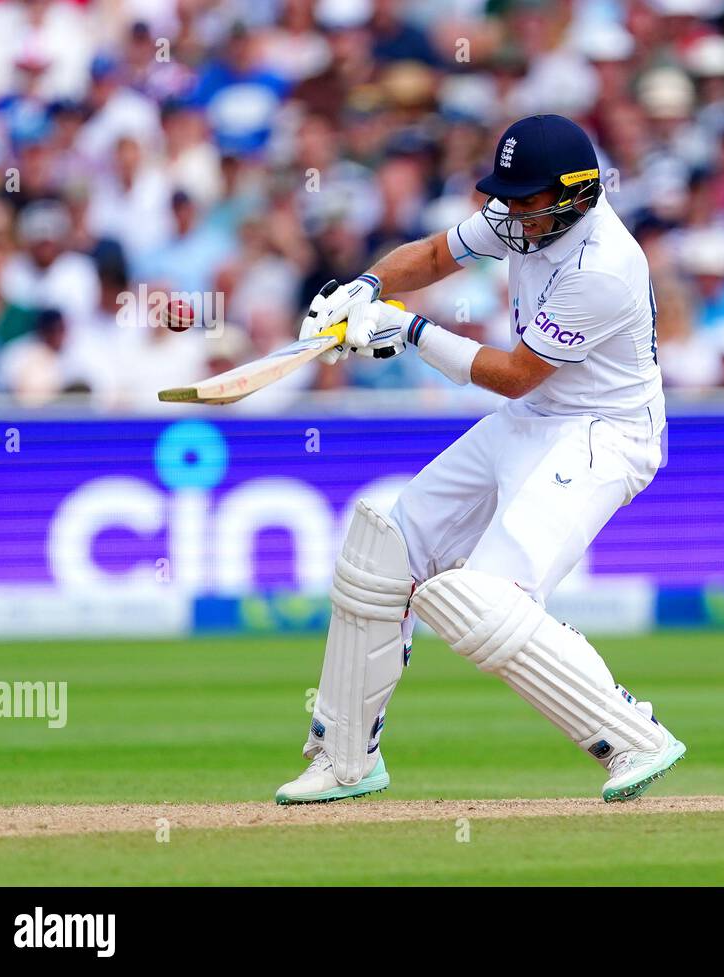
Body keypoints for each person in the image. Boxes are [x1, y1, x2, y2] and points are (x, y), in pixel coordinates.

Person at [276, 114, 684, 804]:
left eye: (529, 200)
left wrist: (407, 328)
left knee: (483, 599)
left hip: (604, 433)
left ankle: (634, 735)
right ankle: (344, 758)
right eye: (510, 197)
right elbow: (435, 256)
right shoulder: (525, 213)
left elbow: (517, 373)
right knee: (385, 555)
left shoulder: (605, 267)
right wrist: (366, 289)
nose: (513, 213)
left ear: (578, 195)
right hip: (535, 418)